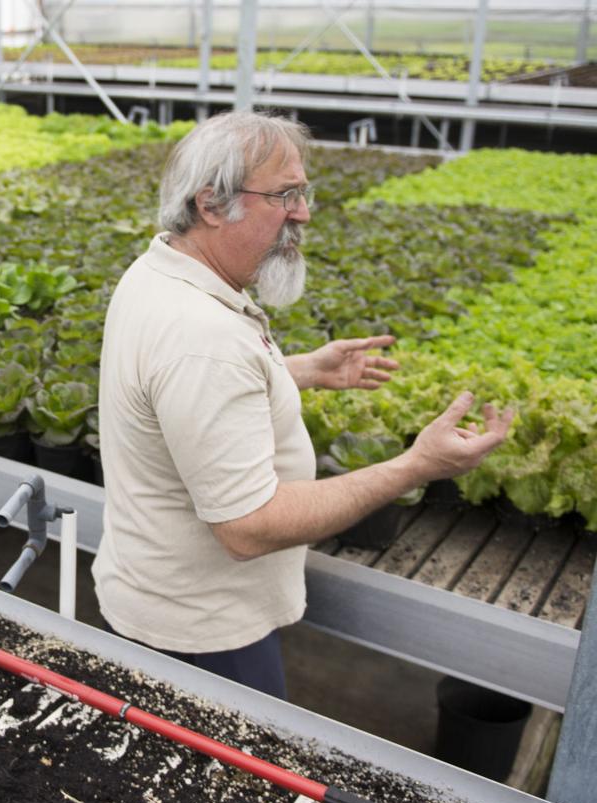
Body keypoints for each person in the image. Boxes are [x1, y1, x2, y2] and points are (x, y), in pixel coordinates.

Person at [92, 111, 513, 699]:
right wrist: (416, 467)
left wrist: (301, 370)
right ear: (211, 204)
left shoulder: (158, 272)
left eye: (303, 191)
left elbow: (174, 396)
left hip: (166, 602)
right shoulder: (201, 339)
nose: (304, 213)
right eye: (284, 195)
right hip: (202, 635)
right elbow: (248, 526)